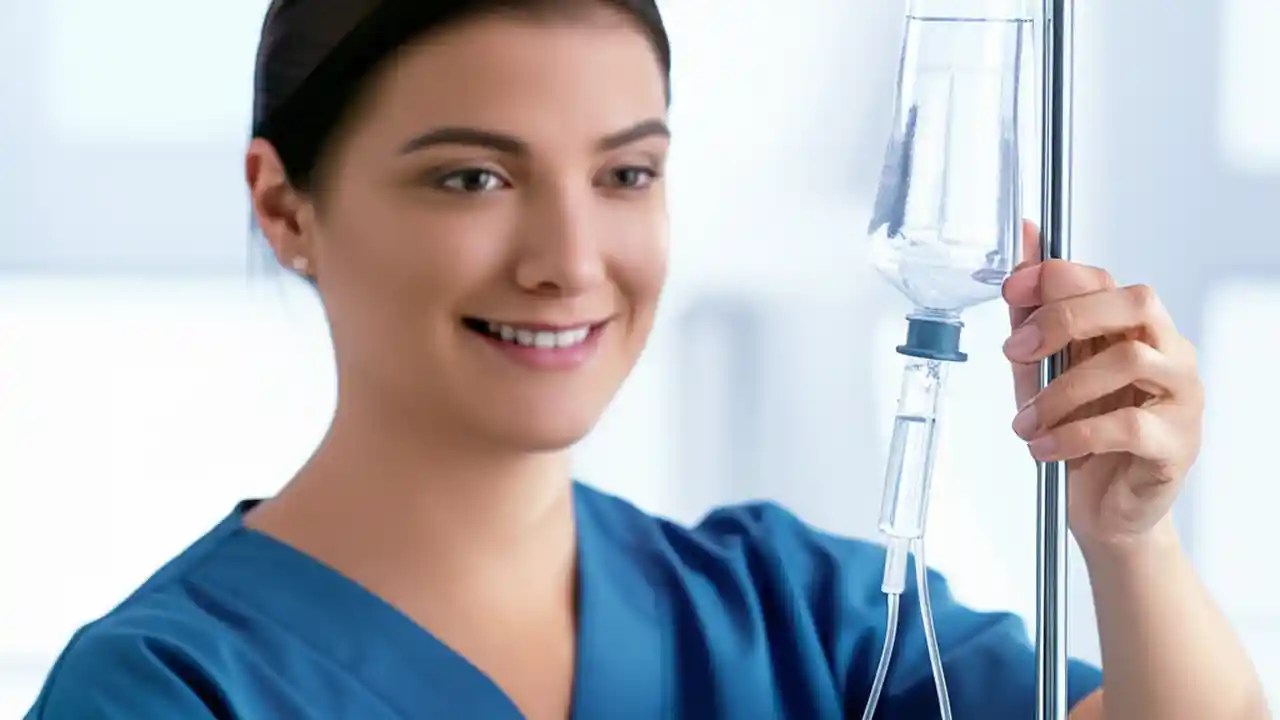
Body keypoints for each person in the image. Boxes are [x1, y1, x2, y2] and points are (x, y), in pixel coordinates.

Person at [24, 1, 1269, 718]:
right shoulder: (171, 690)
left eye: (624, 174)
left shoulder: (800, 622)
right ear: (286, 205)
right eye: (472, 176)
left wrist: (1126, 542)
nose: (569, 260)